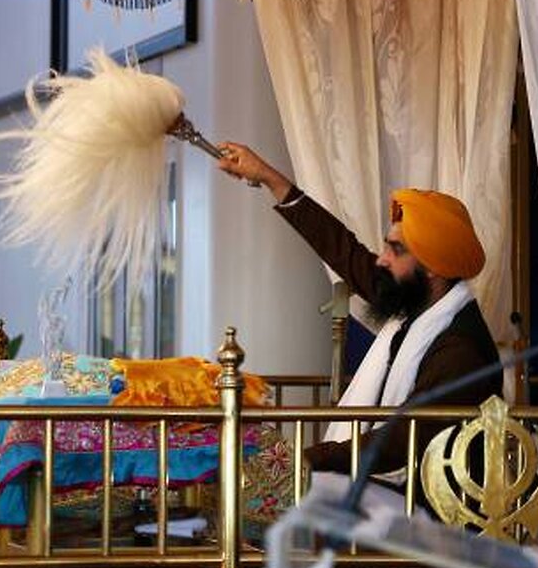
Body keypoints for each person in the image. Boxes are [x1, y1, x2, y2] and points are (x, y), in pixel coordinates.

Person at [215, 142, 502, 514]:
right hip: (395, 493)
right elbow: (344, 251)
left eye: (395, 249)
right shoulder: (416, 302)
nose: (380, 259)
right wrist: (270, 179)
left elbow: (400, 440)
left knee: (285, 498)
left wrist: (309, 459)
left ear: (432, 267)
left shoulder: (460, 348)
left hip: (432, 516)